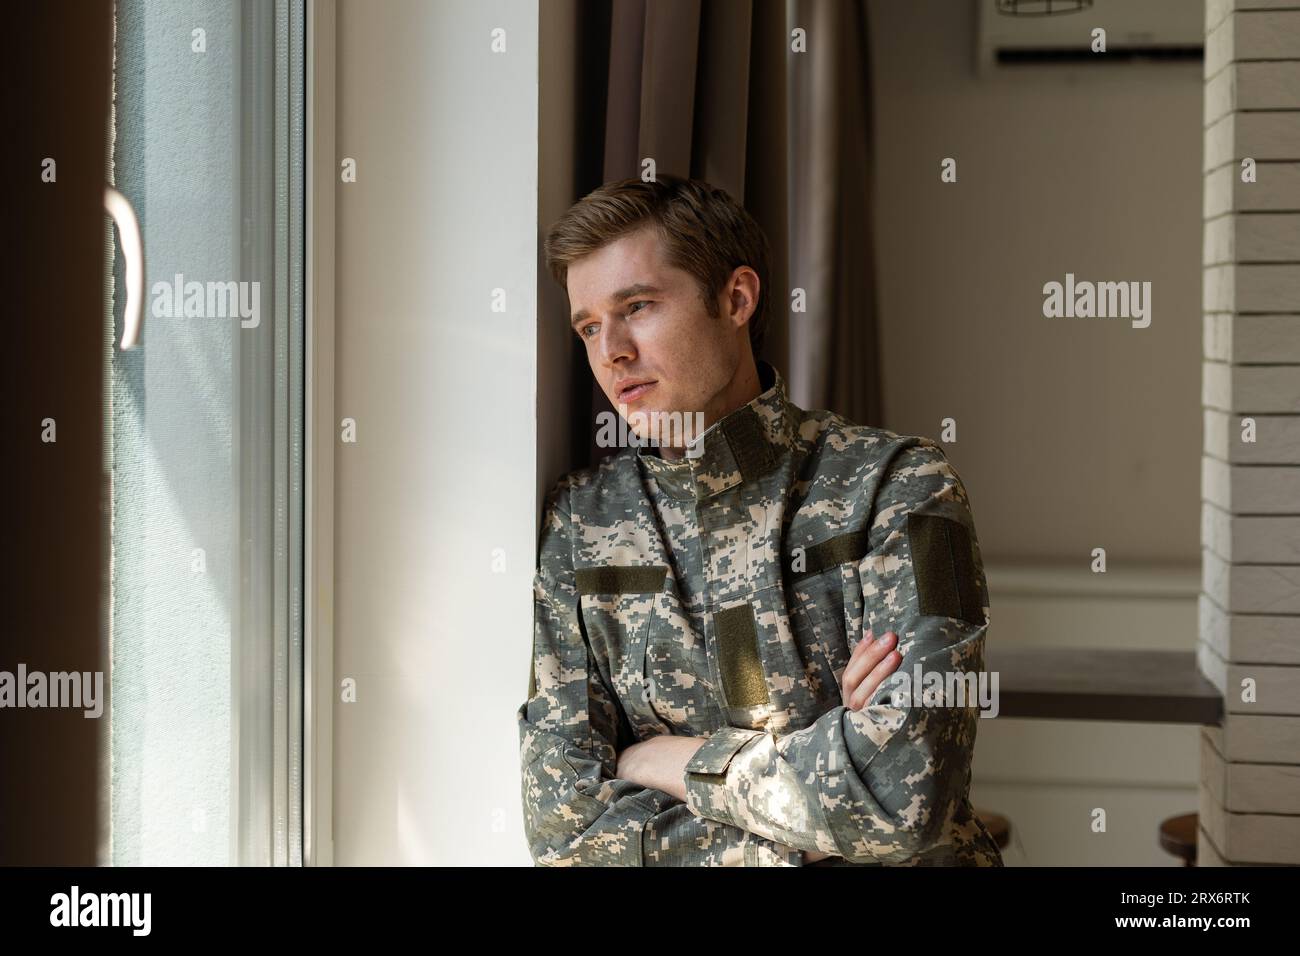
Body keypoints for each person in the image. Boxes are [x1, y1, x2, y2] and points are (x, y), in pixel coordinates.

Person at [516, 174, 1003, 867]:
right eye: (589, 326)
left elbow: (902, 795)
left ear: (736, 298)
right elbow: (564, 829)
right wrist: (823, 808)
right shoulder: (581, 524)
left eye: (639, 306)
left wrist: (671, 762)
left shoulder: (899, 487)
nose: (610, 352)